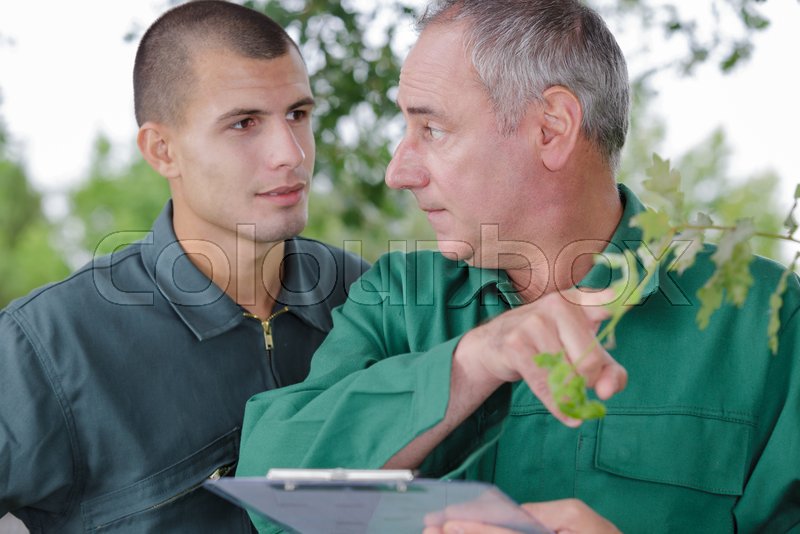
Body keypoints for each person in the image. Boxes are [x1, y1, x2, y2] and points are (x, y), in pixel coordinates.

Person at [237, 0, 800, 532]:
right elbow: (273, 489)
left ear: (551, 129)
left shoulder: (768, 323)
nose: (398, 171)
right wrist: (475, 359)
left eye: (431, 129)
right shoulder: (395, 301)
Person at [0, 1, 367, 532]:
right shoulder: (47, 347)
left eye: (298, 114)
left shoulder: (368, 300)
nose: (290, 153)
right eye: (244, 123)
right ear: (162, 149)